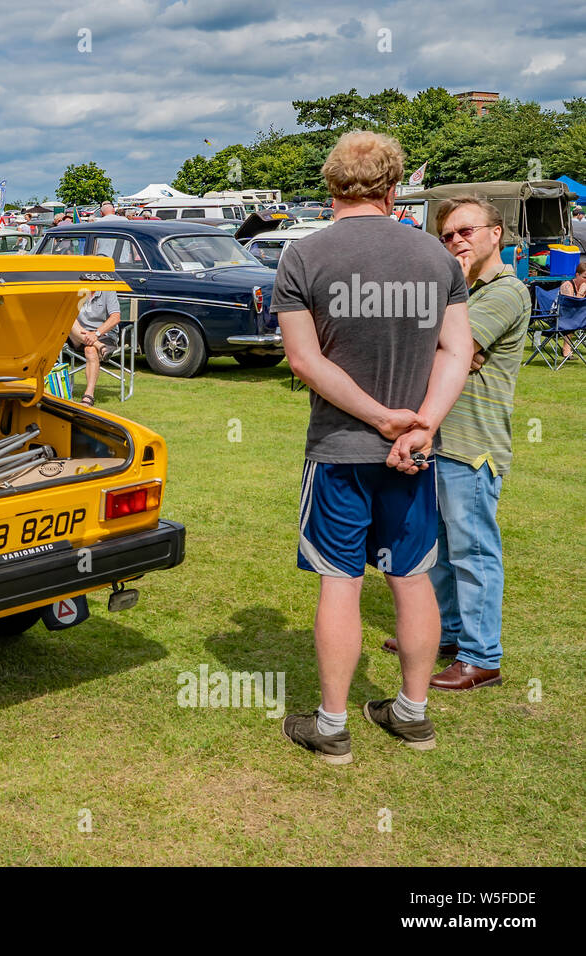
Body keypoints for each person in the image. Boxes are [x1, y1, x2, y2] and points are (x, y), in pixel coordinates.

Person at [272, 131, 472, 764]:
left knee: (341, 581)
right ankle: (412, 714)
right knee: (411, 579)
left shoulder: (303, 255)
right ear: (393, 188)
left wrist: (384, 419)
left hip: (340, 448)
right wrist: (422, 425)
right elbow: (457, 350)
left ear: (332, 187)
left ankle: (332, 726)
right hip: (411, 452)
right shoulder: (436, 259)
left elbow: (303, 360)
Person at [383, 196, 530, 692]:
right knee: (441, 548)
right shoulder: (463, 292)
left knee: (473, 552)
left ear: (497, 234)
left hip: (471, 443)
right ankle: (445, 633)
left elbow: (453, 352)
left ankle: (481, 656)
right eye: (446, 236)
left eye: (466, 231)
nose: (455, 241)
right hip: (438, 437)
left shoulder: (505, 292)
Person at [68, 290, 121, 406]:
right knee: (68, 319)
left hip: (103, 334)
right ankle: (99, 346)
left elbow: (116, 318)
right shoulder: (75, 289)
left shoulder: (108, 290)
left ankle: (89, 395)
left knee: (90, 350)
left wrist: (96, 334)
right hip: (78, 335)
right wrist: (90, 336)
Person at [557, 258, 586, 359]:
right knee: (572, 320)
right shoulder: (567, 286)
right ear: (577, 275)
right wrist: (581, 293)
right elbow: (571, 307)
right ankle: (566, 349)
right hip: (561, 316)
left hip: (578, 316)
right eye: (584, 277)